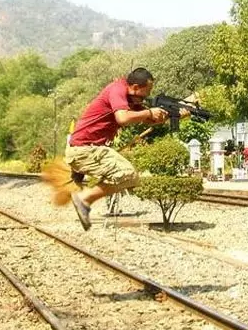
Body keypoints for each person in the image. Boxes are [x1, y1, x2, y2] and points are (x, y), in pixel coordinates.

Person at [65, 67, 185, 230]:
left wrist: (176, 114)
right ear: (135, 87)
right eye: (145, 93)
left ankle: (85, 198)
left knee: (130, 177)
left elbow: (149, 120)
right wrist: (149, 112)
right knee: (128, 174)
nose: (146, 97)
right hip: (84, 149)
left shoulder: (129, 97)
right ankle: (84, 198)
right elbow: (123, 118)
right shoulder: (117, 90)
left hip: (88, 149)